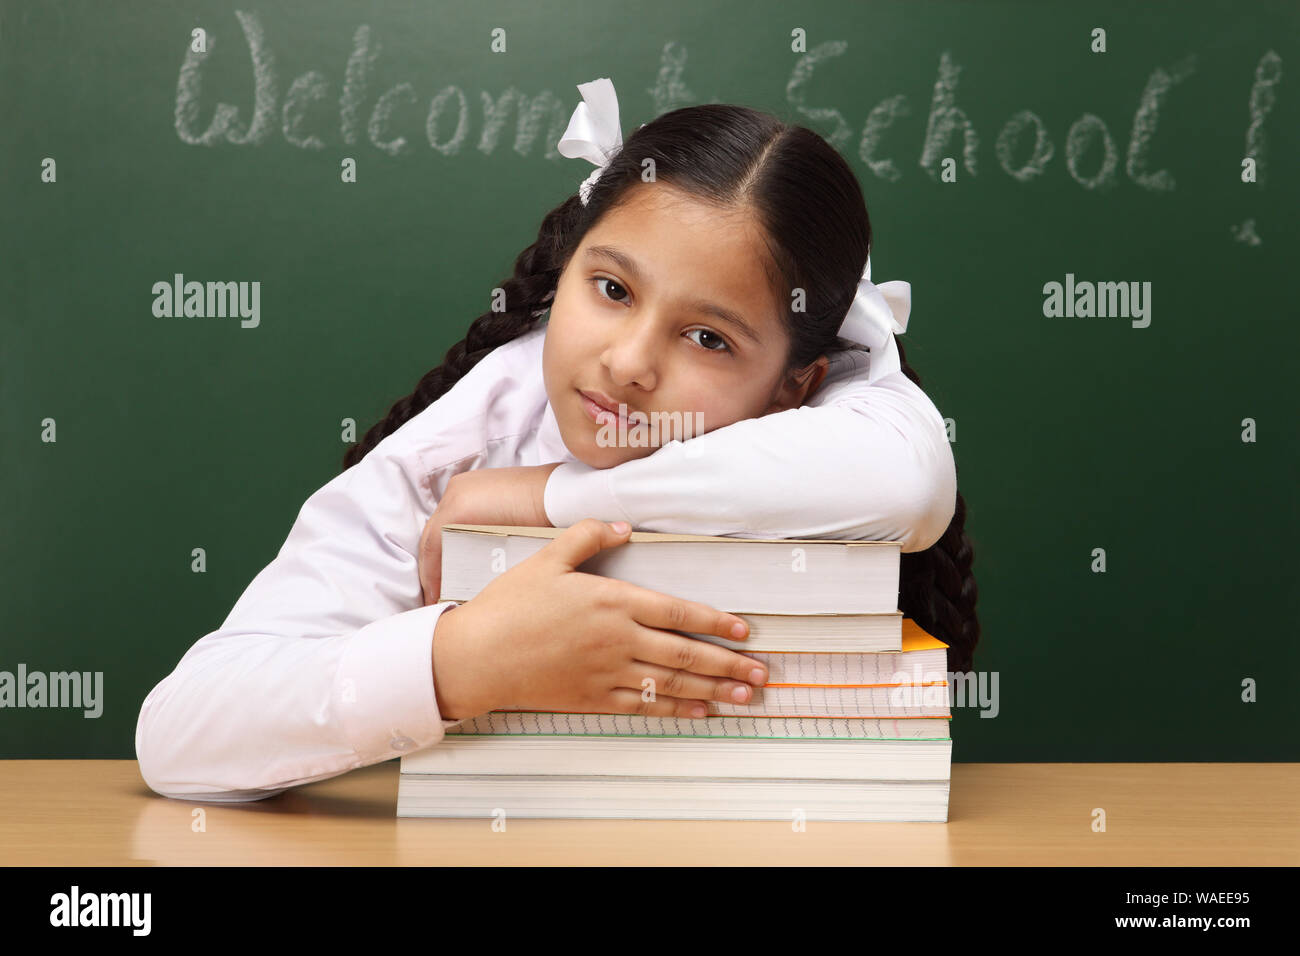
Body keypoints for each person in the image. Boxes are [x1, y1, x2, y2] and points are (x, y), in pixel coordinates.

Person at [135, 78, 978, 802]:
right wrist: (463, 660)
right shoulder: (473, 437)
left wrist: (547, 498)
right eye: (611, 288)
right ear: (568, 264)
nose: (629, 362)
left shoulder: (839, 417)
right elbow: (182, 732)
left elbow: (910, 485)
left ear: (797, 380)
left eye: (709, 339)